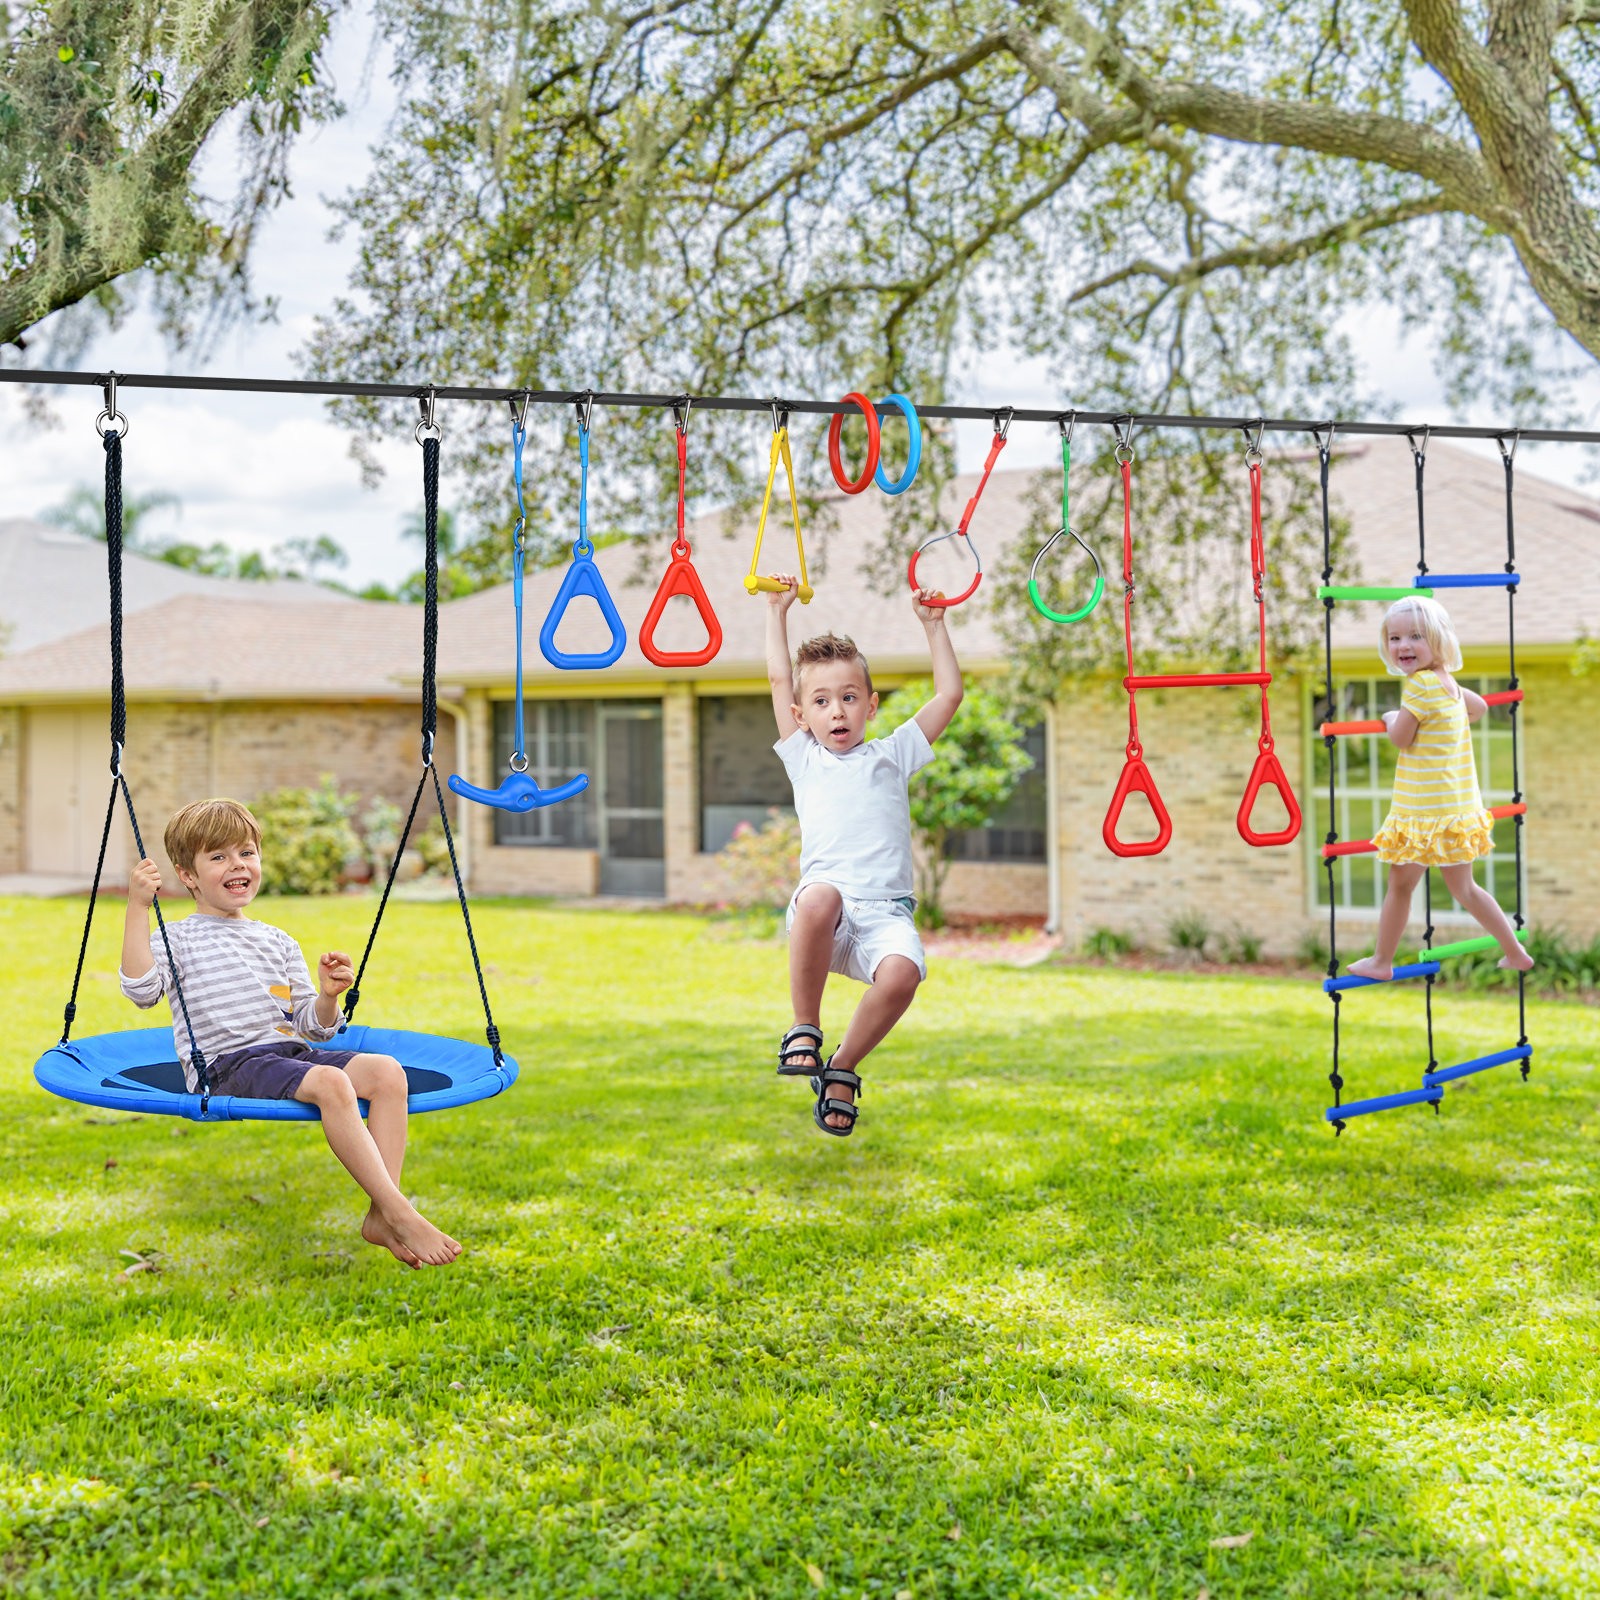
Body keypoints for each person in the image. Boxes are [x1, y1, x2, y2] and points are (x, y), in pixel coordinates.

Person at [119, 797, 461, 1268]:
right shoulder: (176, 937)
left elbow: (311, 1029)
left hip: (288, 1054)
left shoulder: (277, 940)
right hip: (226, 1065)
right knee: (333, 1082)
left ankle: (384, 1210)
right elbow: (141, 990)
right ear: (189, 875)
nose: (237, 865)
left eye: (246, 853)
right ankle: (401, 1212)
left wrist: (327, 996)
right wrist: (138, 907)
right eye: (218, 857)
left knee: (386, 1073)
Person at [764, 574, 964, 1135]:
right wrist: (776, 613)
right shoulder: (804, 758)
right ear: (802, 715)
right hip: (823, 918)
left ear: (871, 706)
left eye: (849, 698)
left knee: (903, 975)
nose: (837, 712)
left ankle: (842, 1069)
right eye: (822, 702)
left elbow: (948, 696)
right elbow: (780, 677)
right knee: (820, 894)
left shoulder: (893, 754)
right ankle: (804, 1025)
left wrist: (934, 625)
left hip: (885, 913)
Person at [1346, 596, 1533, 981]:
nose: (1403, 646)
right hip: (1456, 809)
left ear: (1438, 640)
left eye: (1415, 636)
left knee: (1400, 886)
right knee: (1465, 889)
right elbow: (1479, 707)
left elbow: (1400, 737)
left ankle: (1381, 961)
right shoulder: (1448, 683)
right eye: (1394, 638)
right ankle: (1515, 951)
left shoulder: (1418, 686)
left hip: (1423, 813)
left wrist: (1389, 717)